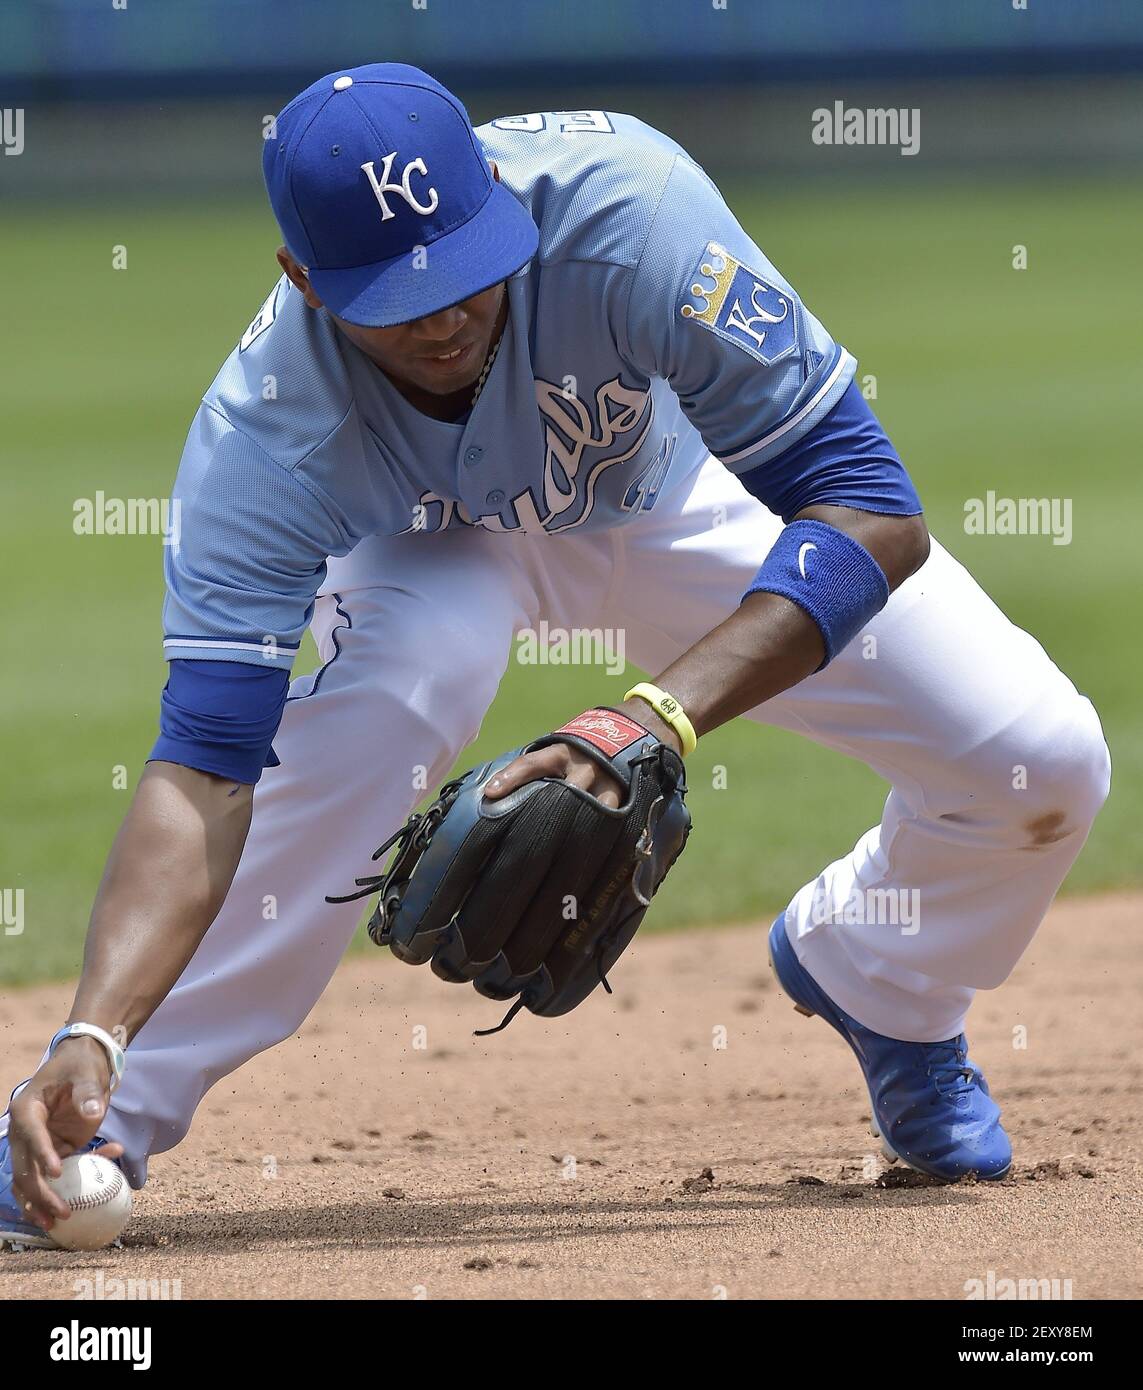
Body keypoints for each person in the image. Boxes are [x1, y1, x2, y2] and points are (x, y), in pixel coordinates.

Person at [2, 63, 1110, 1247]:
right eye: (394, 293)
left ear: (499, 198)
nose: (441, 315)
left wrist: (655, 717)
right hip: (430, 556)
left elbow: (868, 510)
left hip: (668, 496)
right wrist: (95, 1025)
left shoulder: (633, 217)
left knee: (1040, 760)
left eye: (466, 267)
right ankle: (110, 1111)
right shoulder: (264, 436)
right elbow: (207, 769)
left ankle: (885, 974)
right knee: (391, 690)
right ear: (304, 283)